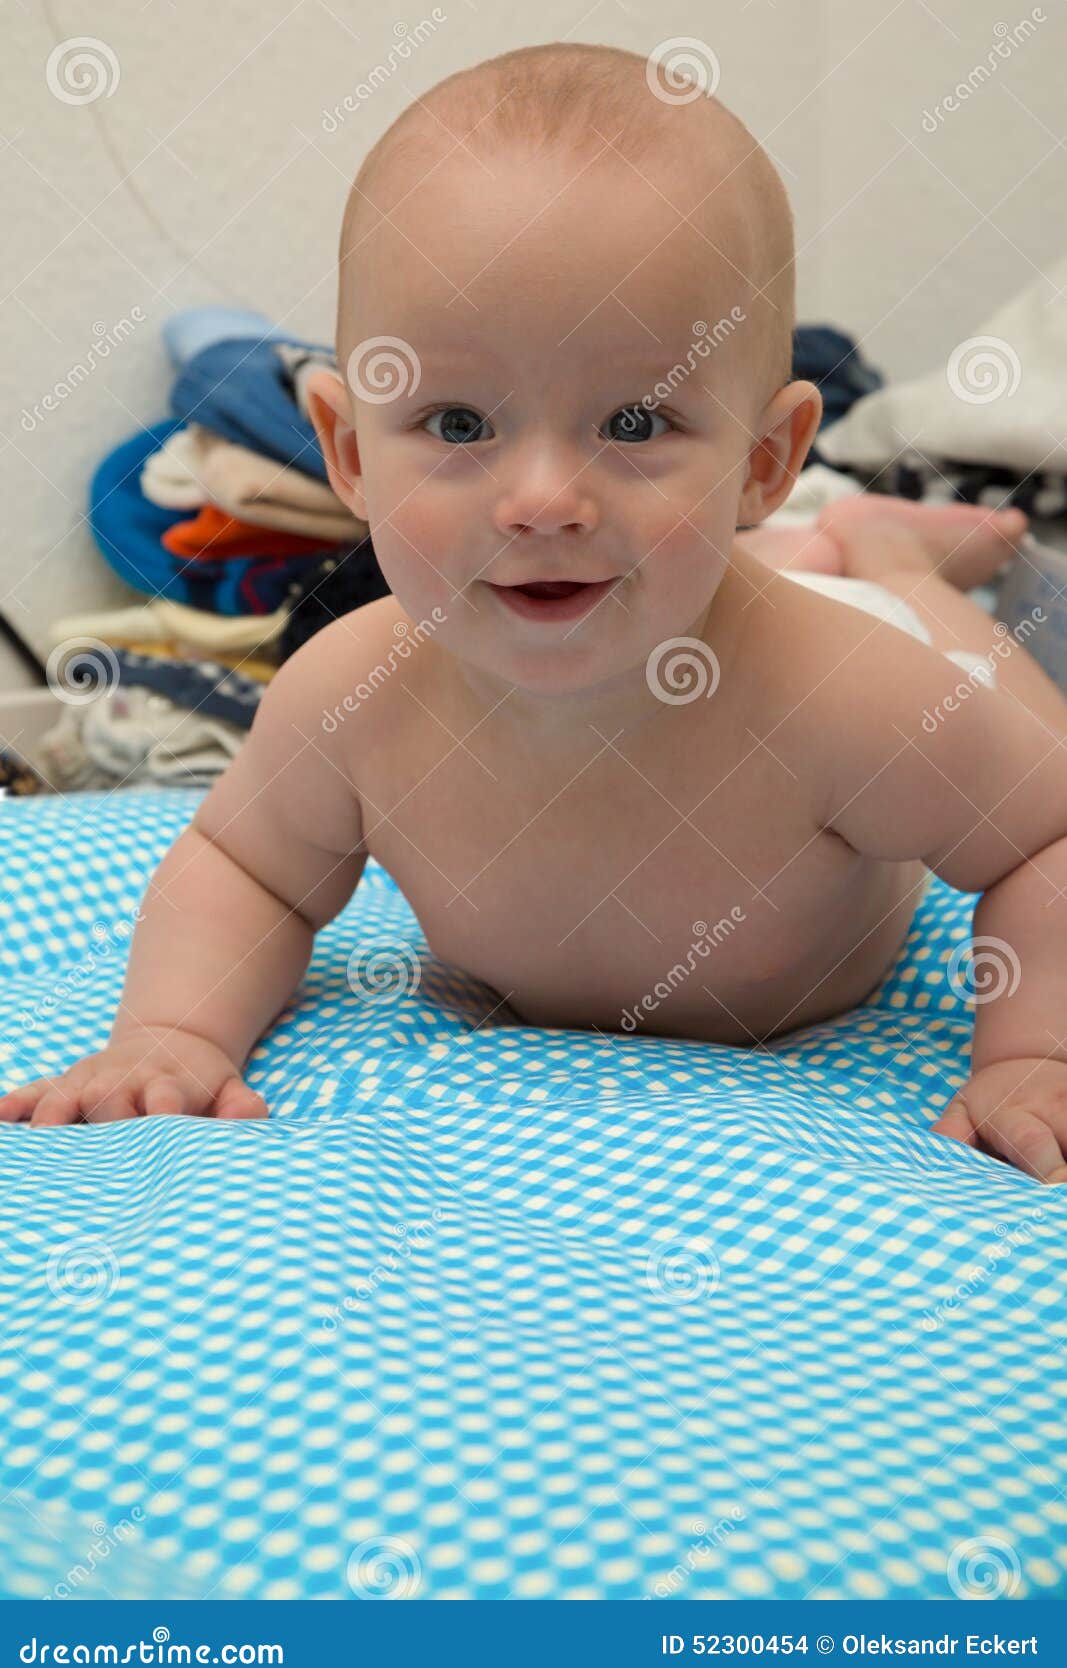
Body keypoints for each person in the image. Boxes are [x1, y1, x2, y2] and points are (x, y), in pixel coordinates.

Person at [4, 42, 1067, 1184]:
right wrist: (172, 1033)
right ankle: (844, 539)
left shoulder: (857, 700)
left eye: (634, 423)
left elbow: (1043, 835)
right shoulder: (349, 700)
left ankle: (888, 555)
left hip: (854, 622)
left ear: (763, 457)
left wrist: (1031, 1048)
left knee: (969, 655)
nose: (544, 502)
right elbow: (246, 867)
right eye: (458, 425)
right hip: (713, 569)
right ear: (348, 453)